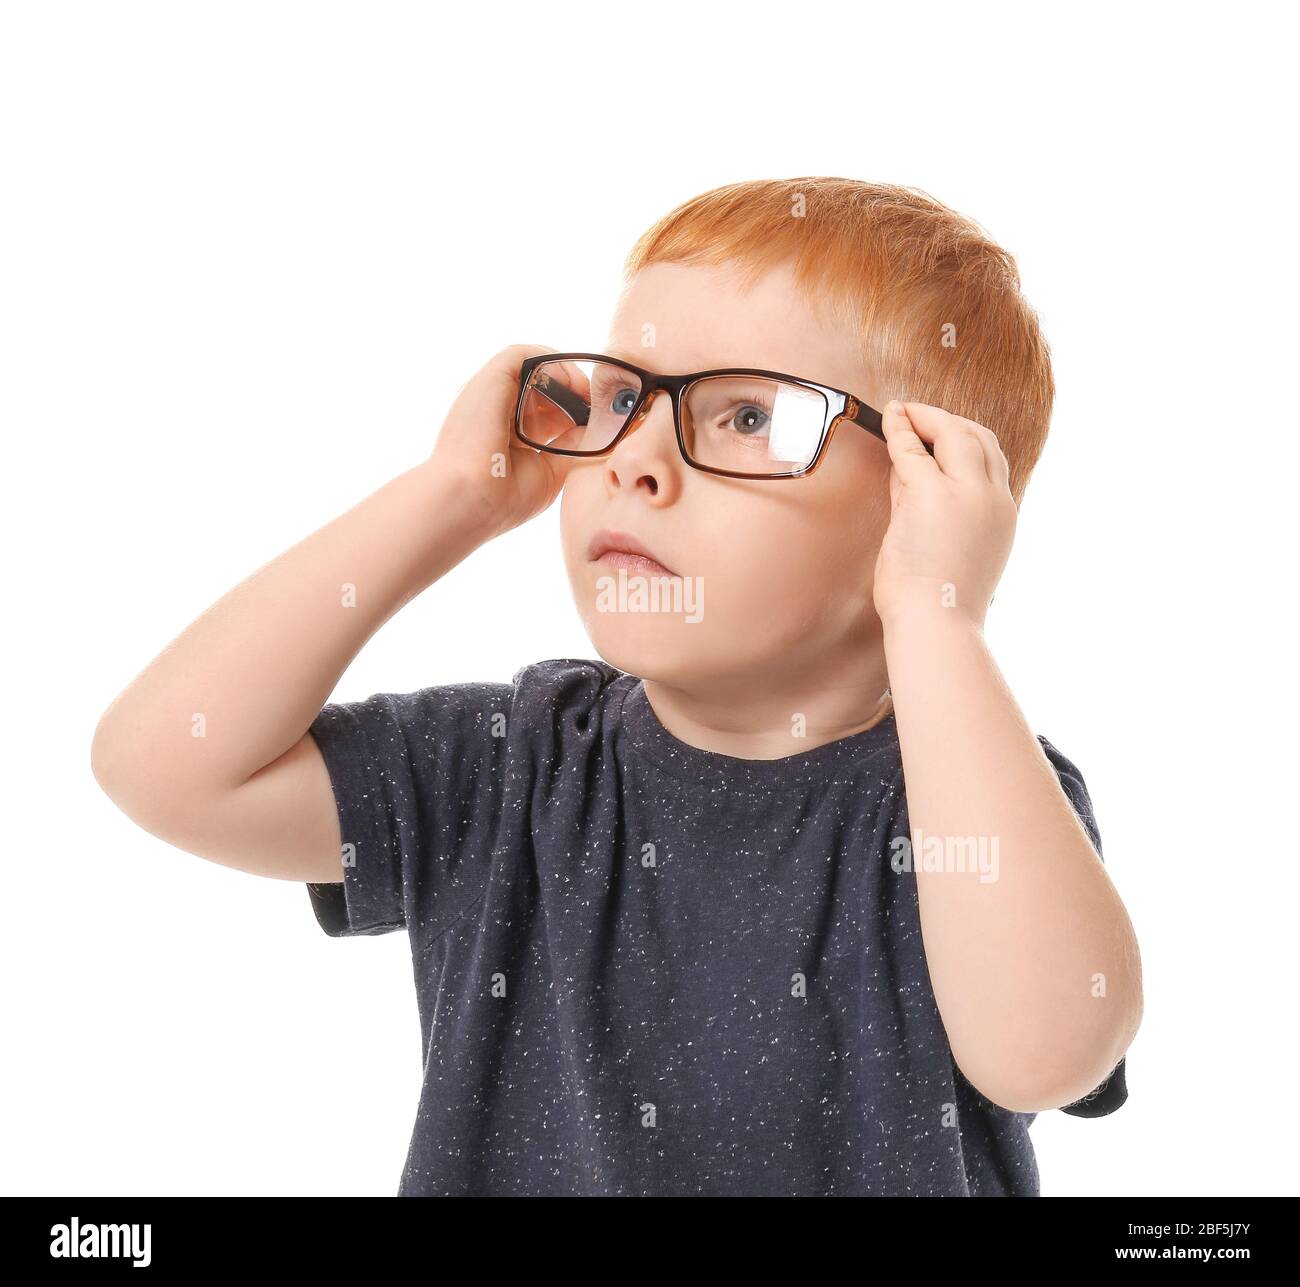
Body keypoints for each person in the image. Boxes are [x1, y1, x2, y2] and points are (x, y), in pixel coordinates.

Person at [91, 177, 1142, 1196]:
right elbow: (166, 766)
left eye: (744, 417)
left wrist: (938, 614)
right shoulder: (506, 762)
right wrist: (451, 494)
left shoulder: (973, 795)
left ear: (928, 497)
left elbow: (1043, 1053)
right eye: (624, 397)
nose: (634, 458)